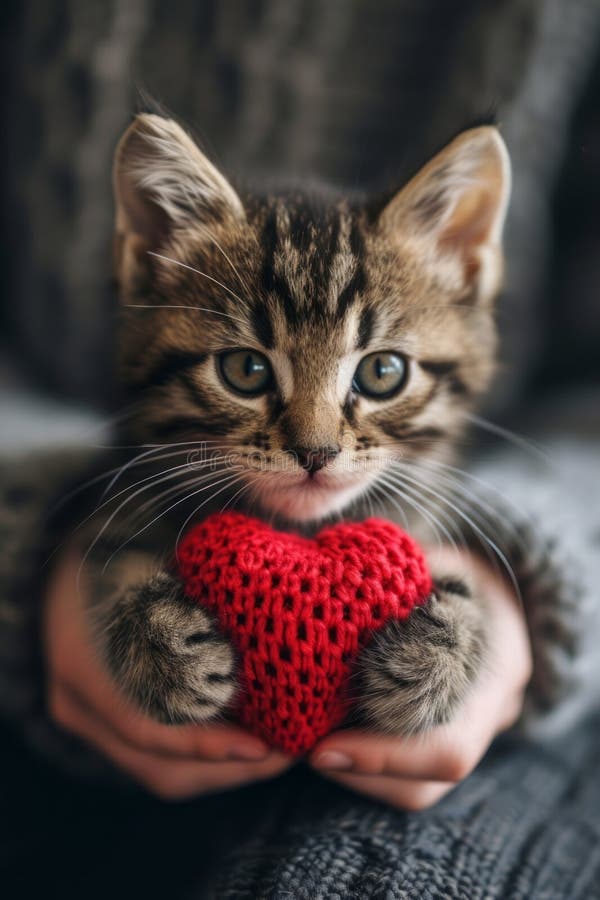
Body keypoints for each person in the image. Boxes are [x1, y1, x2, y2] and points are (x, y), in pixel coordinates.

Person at [1, 1, 600, 896]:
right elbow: (124, 550)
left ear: (467, 262)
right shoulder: (143, 500)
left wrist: (498, 613)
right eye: (247, 370)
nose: (317, 441)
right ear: (152, 252)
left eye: (383, 373)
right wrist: (77, 578)